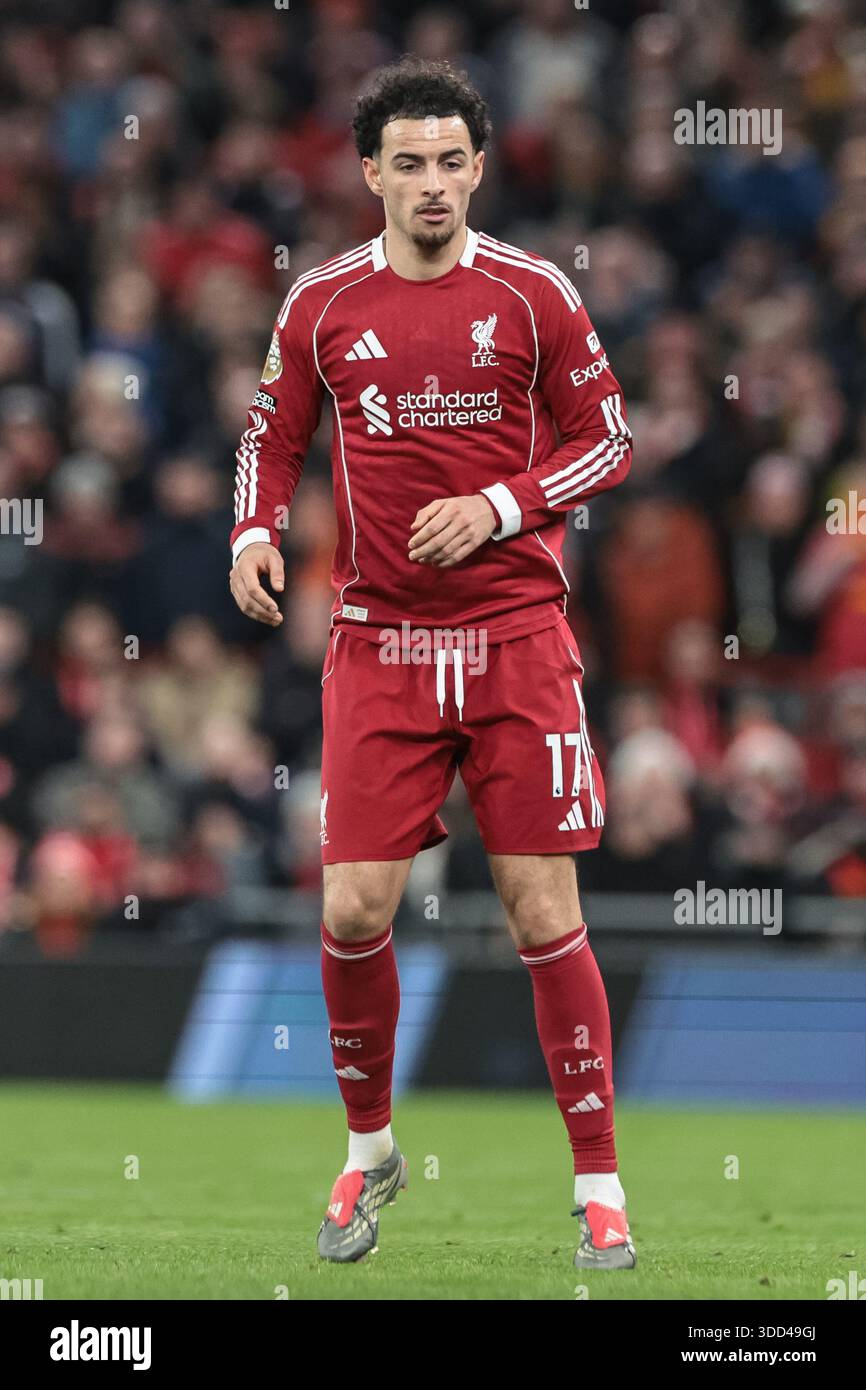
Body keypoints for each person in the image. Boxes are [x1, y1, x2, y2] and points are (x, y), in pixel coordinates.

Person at [229, 57, 635, 1270]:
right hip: (381, 645)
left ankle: (599, 1188)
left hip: (514, 643)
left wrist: (504, 506)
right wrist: (253, 528)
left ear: (477, 167)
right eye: (406, 162)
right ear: (368, 174)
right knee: (353, 907)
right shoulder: (319, 304)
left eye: (450, 160)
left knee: (539, 908)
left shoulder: (532, 294)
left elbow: (607, 436)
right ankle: (369, 1150)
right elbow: (271, 431)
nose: (430, 184)